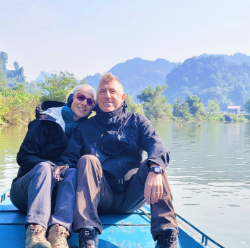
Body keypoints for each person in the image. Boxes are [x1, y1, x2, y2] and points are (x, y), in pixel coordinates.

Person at [59, 73, 178, 248]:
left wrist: (156, 169)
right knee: (87, 160)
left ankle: (166, 236)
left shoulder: (138, 121)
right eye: (102, 91)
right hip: (100, 197)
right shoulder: (85, 127)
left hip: (133, 195)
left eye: (113, 92)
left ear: (122, 97)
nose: (107, 95)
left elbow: (157, 145)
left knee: (154, 163)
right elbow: (68, 159)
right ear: (97, 98)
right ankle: (87, 234)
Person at [11, 84, 95, 248]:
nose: (84, 103)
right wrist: (51, 167)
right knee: (43, 168)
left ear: (92, 108)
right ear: (71, 99)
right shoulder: (45, 121)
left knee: (72, 172)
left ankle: (59, 233)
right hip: (28, 193)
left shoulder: (87, 132)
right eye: (80, 97)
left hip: (59, 198)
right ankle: (36, 233)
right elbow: (23, 156)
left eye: (90, 101)